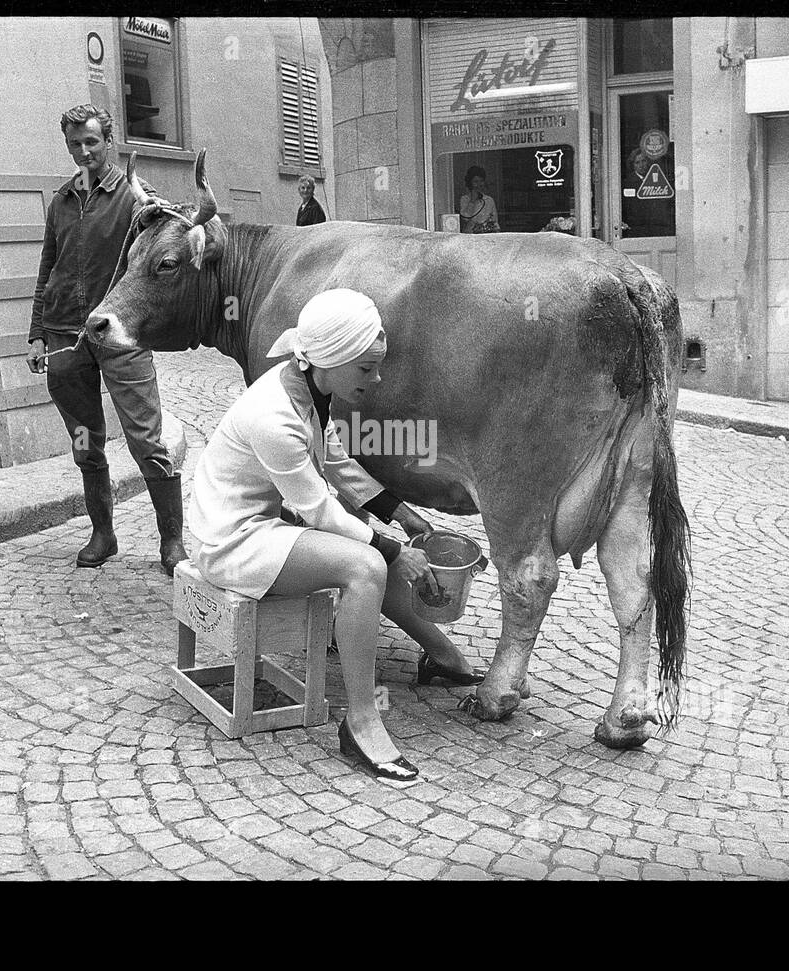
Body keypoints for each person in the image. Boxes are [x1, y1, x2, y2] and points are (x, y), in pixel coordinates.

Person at [189, 289, 484, 781]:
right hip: (230, 542)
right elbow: (317, 507)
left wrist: (404, 517)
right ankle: (362, 722)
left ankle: (442, 656)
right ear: (327, 360)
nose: (377, 378)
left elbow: (338, 464)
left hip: (264, 527)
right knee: (365, 563)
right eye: (366, 368)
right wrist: (391, 550)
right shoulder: (273, 416)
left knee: (373, 554)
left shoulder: (307, 387)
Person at [27, 104, 188, 574]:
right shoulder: (60, 200)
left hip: (120, 333)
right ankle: (103, 533)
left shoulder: (133, 195)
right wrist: (37, 333)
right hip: (63, 335)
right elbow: (47, 269)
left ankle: (171, 542)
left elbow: (166, 230)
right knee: (85, 442)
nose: (84, 152)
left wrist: (158, 214)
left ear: (108, 141)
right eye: (75, 144)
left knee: (146, 437)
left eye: (92, 142)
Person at [459, 166, 499, 233]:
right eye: (476, 182)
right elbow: (465, 217)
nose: (479, 184)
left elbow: (495, 222)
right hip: (470, 235)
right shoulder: (464, 199)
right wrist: (472, 201)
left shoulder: (489, 200)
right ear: (470, 183)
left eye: (481, 181)